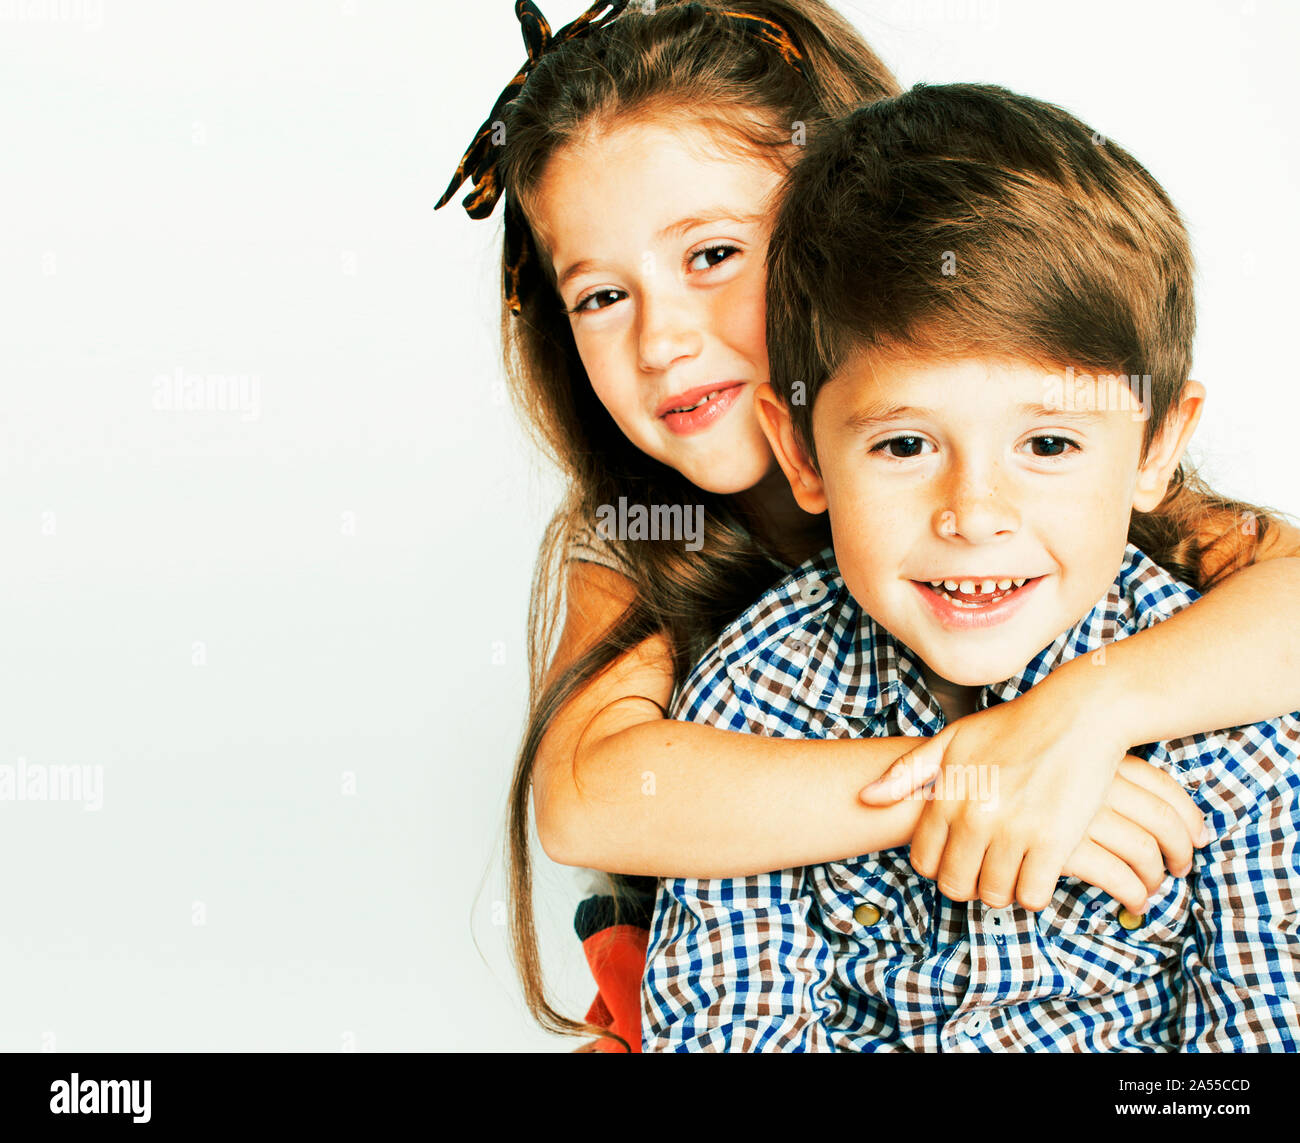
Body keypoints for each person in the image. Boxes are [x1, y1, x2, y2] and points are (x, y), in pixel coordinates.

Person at [436, 0, 1300, 1051]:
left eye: (711, 256)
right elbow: (588, 795)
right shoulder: (646, 548)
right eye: (602, 295)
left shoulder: (1080, 509)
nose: (662, 341)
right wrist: (968, 774)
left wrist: (1077, 717)